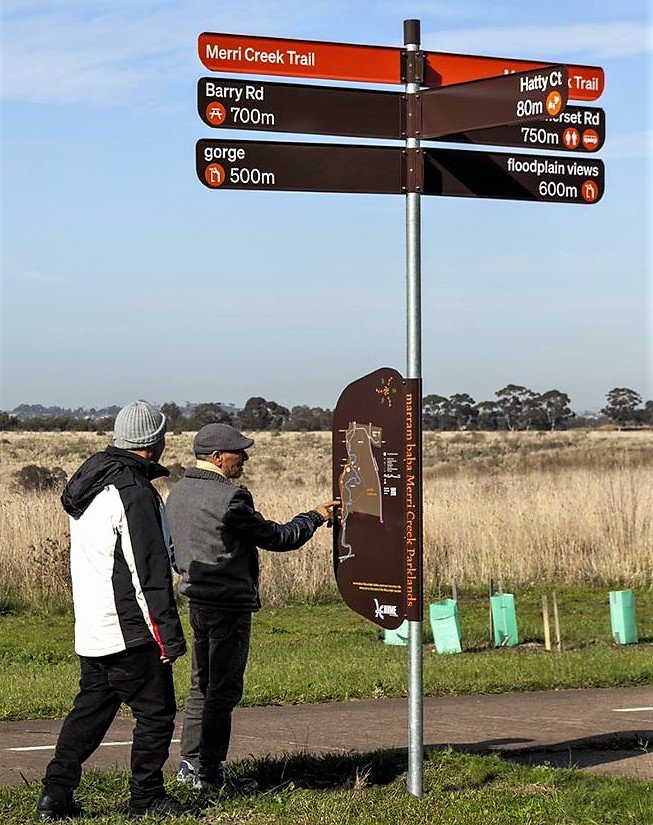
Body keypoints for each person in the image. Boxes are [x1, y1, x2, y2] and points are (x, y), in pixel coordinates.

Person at [37, 401, 189, 821]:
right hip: (130, 629)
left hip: (94, 625)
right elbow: (147, 571)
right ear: (154, 442)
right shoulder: (133, 491)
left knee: (90, 712)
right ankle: (147, 798)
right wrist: (167, 636)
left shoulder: (91, 482)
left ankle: (55, 795)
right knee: (156, 714)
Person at [166, 422, 336, 792]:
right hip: (228, 605)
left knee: (201, 686)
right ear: (217, 457)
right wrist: (315, 517)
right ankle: (210, 774)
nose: (244, 457)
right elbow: (276, 537)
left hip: (197, 600)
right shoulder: (231, 498)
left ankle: (190, 766)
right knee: (223, 691)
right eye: (238, 452)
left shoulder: (178, 491)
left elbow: (173, 549)